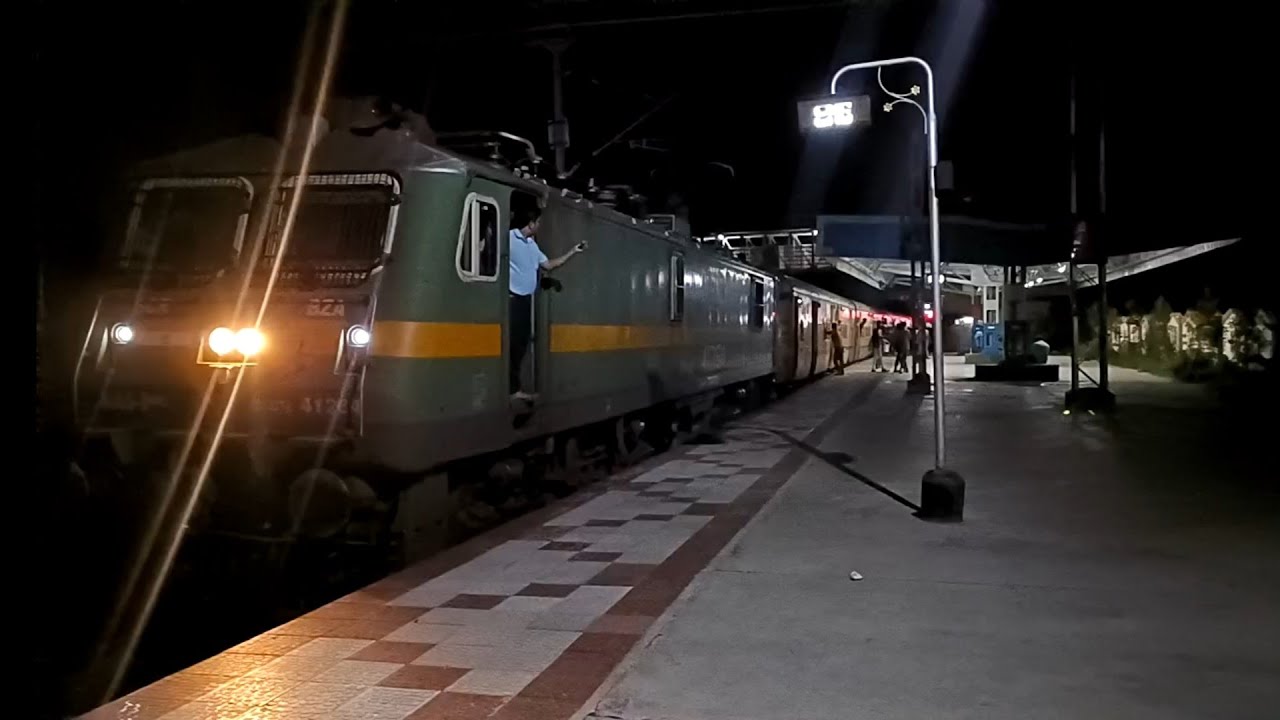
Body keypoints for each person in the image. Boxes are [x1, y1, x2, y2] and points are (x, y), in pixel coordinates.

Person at [509, 207, 585, 400]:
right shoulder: (509, 238)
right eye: (539, 222)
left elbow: (548, 265)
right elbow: (485, 247)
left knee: (521, 343)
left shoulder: (531, 245)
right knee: (514, 344)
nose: (540, 226)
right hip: (512, 299)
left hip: (525, 300)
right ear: (531, 223)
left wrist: (572, 252)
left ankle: (514, 388)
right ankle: (511, 390)